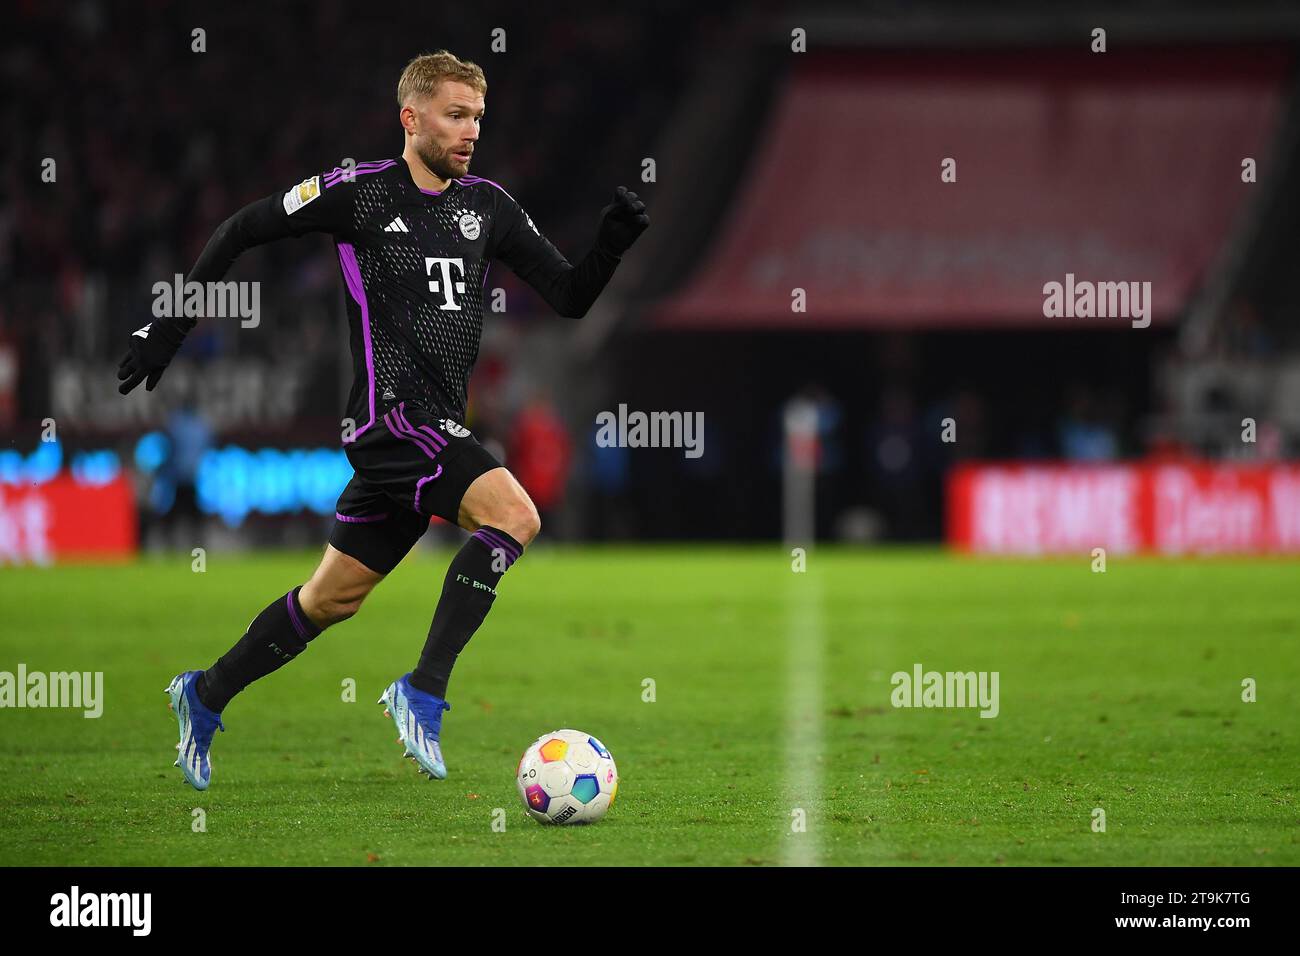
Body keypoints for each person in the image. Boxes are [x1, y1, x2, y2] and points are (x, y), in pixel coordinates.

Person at [115, 50, 649, 790]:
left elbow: (569, 296)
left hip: (431, 427)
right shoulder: (358, 193)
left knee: (330, 599)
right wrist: (166, 330)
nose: (471, 132)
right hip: (388, 419)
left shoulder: (487, 206)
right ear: (411, 117)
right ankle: (423, 691)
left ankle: (204, 695)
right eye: (456, 115)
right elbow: (240, 228)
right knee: (516, 516)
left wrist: (612, 243)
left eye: (479, 119)